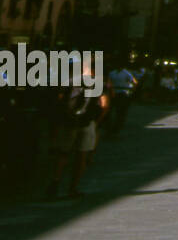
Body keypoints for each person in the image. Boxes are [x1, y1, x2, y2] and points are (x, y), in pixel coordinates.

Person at [46, 70, 110, 200]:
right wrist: (96, 122)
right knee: (82, 156)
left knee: (63, 154)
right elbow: (104, 105)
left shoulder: (70, 81)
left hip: (70, 121)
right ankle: (73, 188)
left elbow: (59, 100)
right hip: (87, 122)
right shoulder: (98, 84)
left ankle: (55, 184)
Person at [107, 64, 137, 135]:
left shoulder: (127, 73)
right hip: (113, 91)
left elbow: (135, 82)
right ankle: (109, 126)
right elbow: (109, 82)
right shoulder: (112, 73)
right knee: (110, 110)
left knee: (120, 111)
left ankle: (118, 126)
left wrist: (131, 91)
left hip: (123, 92)